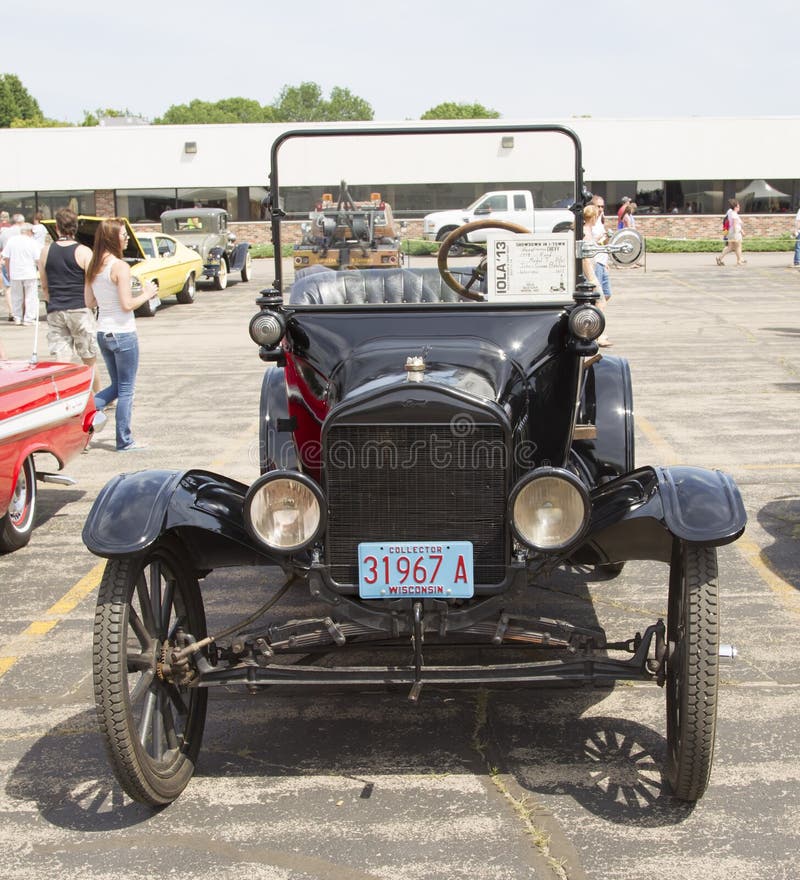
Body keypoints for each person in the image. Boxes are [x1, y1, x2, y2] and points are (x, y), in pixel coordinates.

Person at [84, 218, 157, 451]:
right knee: (126, 389)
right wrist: (147, 293)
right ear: (112, 238)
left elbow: (89, 300)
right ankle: (124, 440)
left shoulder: (94, 265)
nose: (126, 239)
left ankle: (81, 415)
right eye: (123, 235)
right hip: (122, 332)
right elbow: (127, 304)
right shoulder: (120, 267)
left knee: (117, 387)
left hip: (103, 330)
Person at [39, 207, 100, 390]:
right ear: (75, 227)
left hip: (56, 309)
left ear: (57, 228)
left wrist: (51, 300)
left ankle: (63, 394)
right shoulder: (84, 252)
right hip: (79, 308)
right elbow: (92, 281)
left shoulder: (46, 251)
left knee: (62, 358)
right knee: (89, 357)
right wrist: (93, 304)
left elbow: (44, 284)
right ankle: (97, 396)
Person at [582, 203, 612, 347]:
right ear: (593, 217)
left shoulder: (585, 231)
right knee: (600, 303)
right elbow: (585, 259)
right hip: (591, 273)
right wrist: (593, 279)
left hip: (592, 271)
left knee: (596, 303)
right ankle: (598, 335)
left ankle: (593, 333)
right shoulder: (586, 233)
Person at [2, 222, 42, 325]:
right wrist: (41, 272)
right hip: (29, 272)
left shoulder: (12, 241)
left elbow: (6, 257)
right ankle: (29, 318)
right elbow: (38, 259)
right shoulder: (32, 242)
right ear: (29, 231)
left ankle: (18, 317)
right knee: (30, 296)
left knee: (16, 296)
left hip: (15, 272)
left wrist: (8, 271)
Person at [0, 213, 21, 321]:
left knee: (8, 288)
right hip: (19, 262)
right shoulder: (21, 232)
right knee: (22, 288)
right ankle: (21, 312)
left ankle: (12, 312)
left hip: (5, 260)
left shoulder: (3, 232)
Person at [716, 199, 746, 266]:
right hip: (735, 233)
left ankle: (719, 258)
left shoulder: (730, 212)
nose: (739, 208)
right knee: (738, 247)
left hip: (730, 232)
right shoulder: (734, 214)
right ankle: (739, 261)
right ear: (735, 207)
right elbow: (735, 225)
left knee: (730, 247)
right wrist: (738, 232)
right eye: (738, 206)